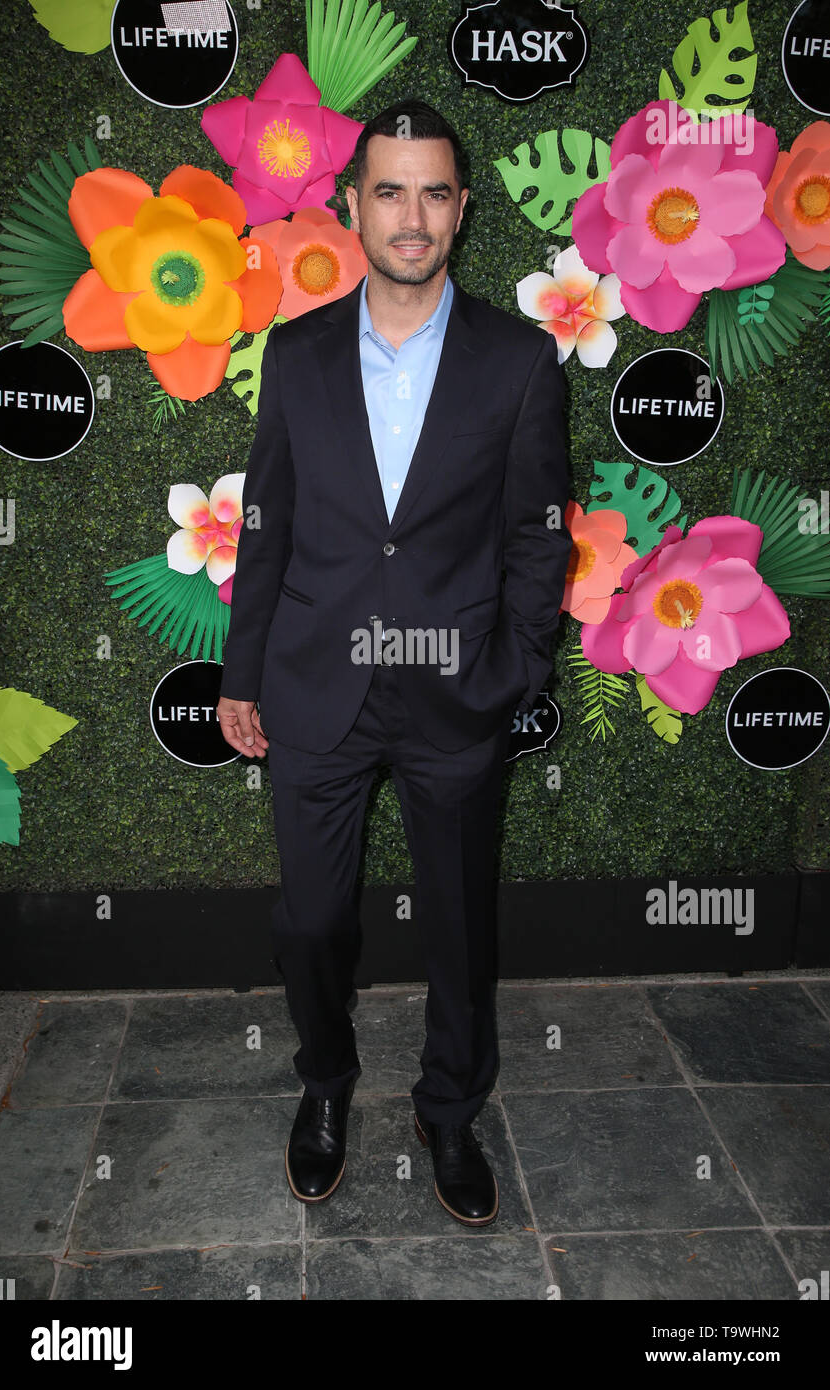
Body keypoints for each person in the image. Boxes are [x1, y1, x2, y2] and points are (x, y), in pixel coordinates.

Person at [216, 99, 571, 1227]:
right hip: (315, 682)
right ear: (352, 206)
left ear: (460, 211)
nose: (411, 217)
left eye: (432, 192)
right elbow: (266, 523)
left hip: (457, 690)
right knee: (311, 923)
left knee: (459, 927)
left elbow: (538, 535)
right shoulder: (297, 353)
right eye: (389, 191)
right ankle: (325, 1084)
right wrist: (240, 672)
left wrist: (517, 667)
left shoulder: (519, 360)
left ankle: (450, 1109)